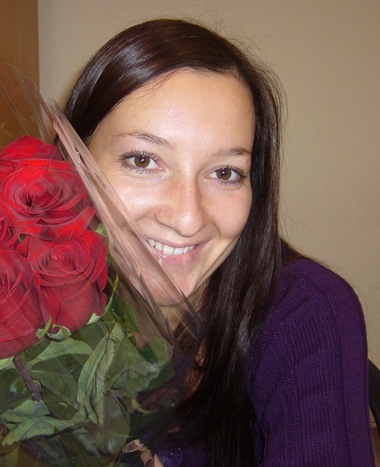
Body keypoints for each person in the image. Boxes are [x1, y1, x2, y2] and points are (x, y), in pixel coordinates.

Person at [63, 19, 375, 466]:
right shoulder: (20, 309)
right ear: (71, 163)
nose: (188, 218)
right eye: (144, 160)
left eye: (225, 172)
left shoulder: (307, 310)